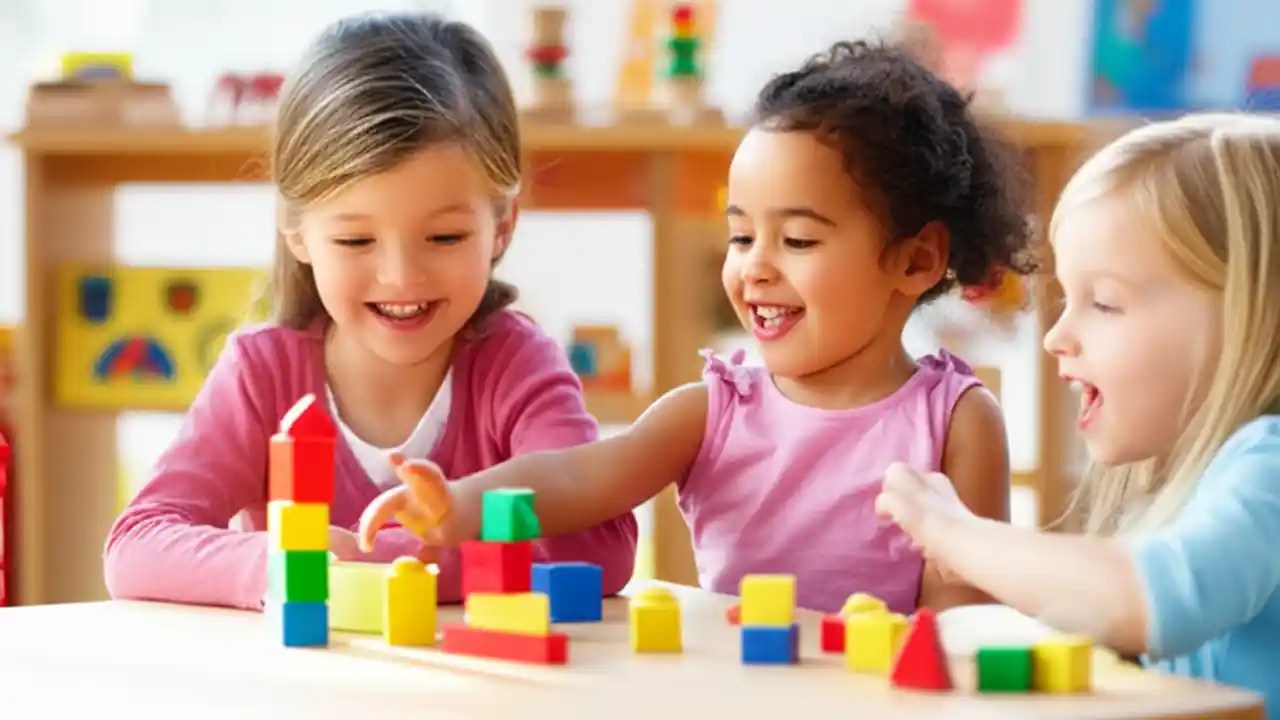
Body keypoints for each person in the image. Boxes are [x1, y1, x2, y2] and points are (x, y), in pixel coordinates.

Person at [359, 39, 1037, 615]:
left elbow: (963, 626)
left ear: (916, 260)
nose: (754, 268)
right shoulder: (713, 409)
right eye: (741, 236)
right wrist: (458, 504)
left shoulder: (958, 424)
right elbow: (577, 479)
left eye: (797, 240)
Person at [102, 11, 637, 610]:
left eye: (445, 238)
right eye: (356, 241)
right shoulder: (263, 375)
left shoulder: (515, 365)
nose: (401, 276)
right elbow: (137, 545)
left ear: (502, 226)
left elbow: (602, 544)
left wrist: (376, 566)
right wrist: (285, 567)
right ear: (297, 231)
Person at [875, 113, 1280, 715]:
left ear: (1254, 314)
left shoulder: (1268, 466)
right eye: (1068, 300)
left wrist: (952, 532)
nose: (1056, 337)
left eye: (1106, 302)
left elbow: (1147, 601)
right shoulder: (1198, 483)